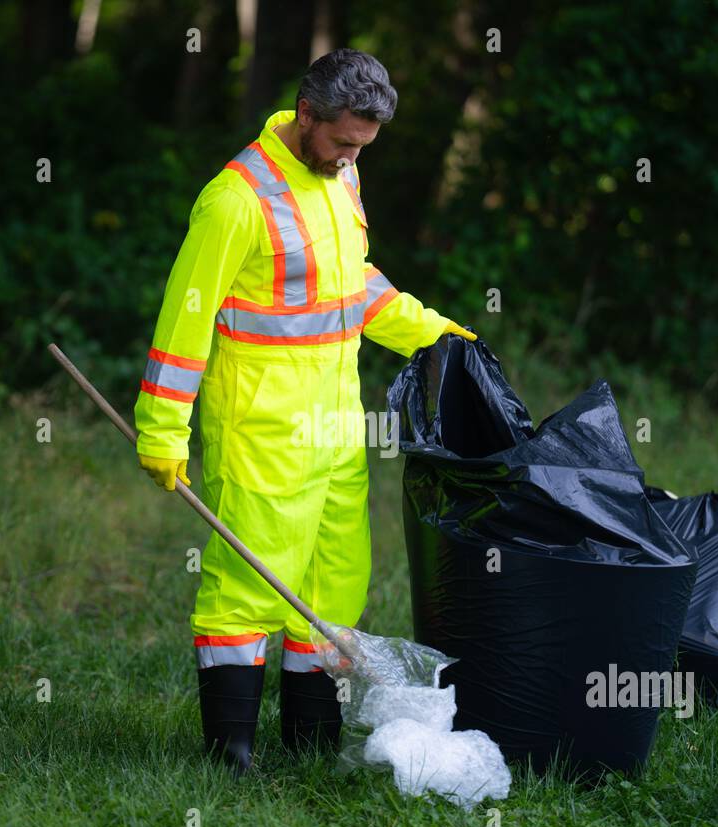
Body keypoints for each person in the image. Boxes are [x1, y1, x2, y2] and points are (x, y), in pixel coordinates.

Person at [133, 48, 476, 776]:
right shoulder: (235, 199)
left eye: (363, 146)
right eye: (345, 140)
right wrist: (163, 428)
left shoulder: (342, 174)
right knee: (246, 592)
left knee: (330, 591)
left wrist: (436, 332)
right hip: (261, 432)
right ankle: (231, 758)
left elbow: (354, 287)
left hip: (336, 431)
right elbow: (185, 318)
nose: (353, 156)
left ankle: (310, 750)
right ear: (307, 114)